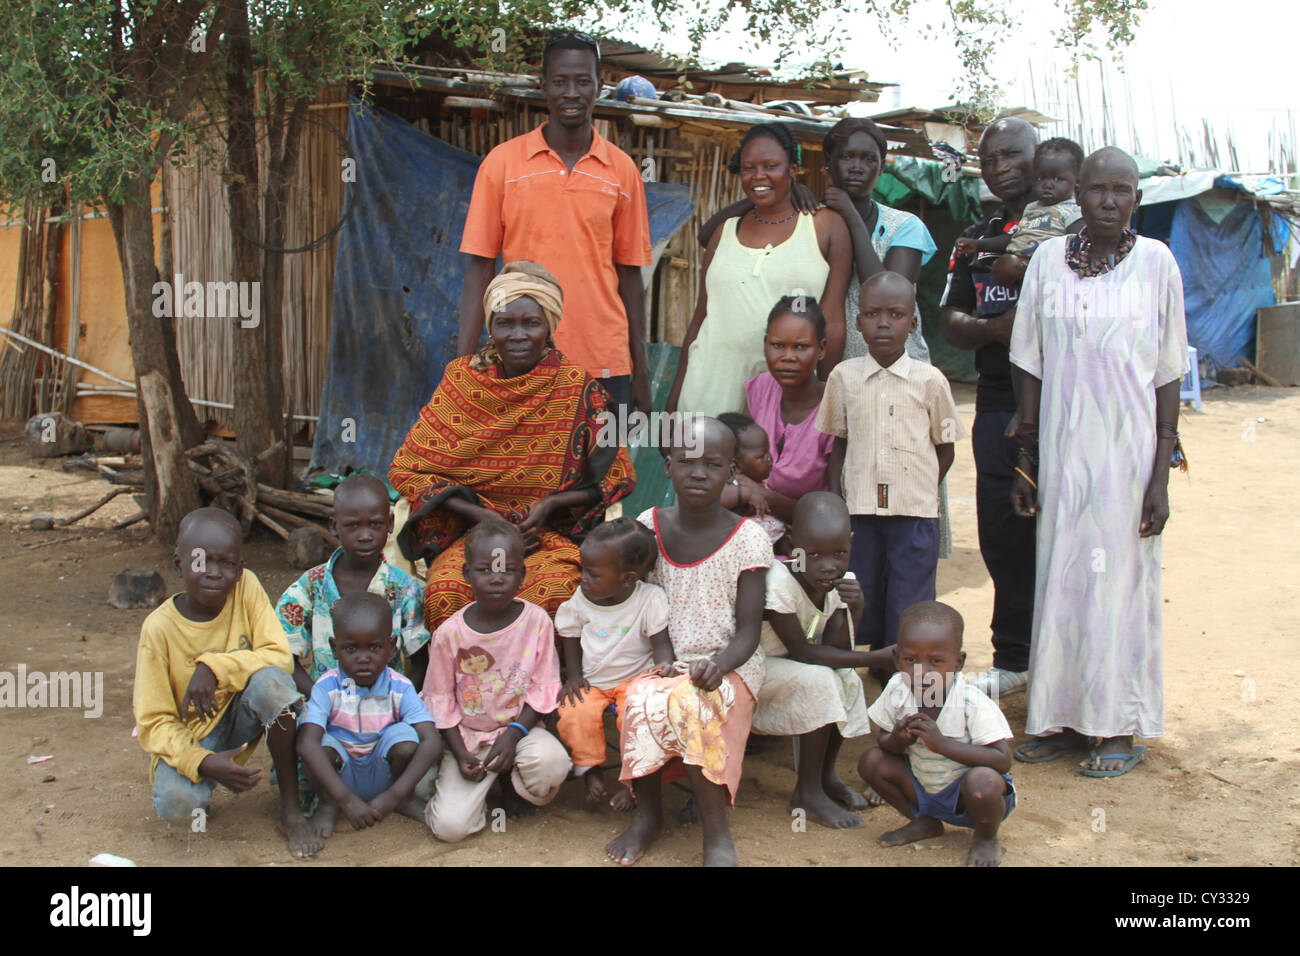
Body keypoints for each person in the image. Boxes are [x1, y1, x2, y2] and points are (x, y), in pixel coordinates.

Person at [1008, 147, 1188, 777]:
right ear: (1076, 194)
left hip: (1129, 457)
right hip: (1062, 454)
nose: (1110, 201)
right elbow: (1027, 359)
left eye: (1124, 190)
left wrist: (1160, 473)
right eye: (1098, 189)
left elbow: (1168, 371)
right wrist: (1028, 457)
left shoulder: (1158, 264)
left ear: (1137, 197)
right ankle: (1060, 720)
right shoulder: (1047, 263)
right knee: (1061, 582)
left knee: (1119, 588)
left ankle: (1117, 726)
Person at [390, 262, 634, 633]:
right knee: (446, 593)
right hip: (472, 538)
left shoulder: (576, 388)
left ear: (549, 327)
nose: (517, 335)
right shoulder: (461, 382)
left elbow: (615, 475)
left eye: (531, 323)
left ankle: (546, 687)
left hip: (546, 537)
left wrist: (550, 504)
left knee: (559, 592)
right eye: (505, 324)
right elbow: (408, 469)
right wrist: (484, 518)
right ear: (491, 326)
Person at [606, 417, 774, 866]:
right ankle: (648, 817)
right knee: (639, 697)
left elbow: (750, 631)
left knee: (693, 702)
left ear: (731, 471)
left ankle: (716, 832)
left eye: (713, 464)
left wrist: (718, 665)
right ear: (667, 466)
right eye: (687, 462)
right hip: (662, 658)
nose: (699, 473)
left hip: (728, 663)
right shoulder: (647, 525)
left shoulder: (749, 540)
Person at [457, 31, 652, 415]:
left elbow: (630, 276)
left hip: (603, 361)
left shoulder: (622, 170)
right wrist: (461, 368)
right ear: (543, 86)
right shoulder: (503, 164)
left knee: (599, 475)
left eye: (583, 81)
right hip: (521, 356)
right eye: (560, 81)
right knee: (520, 474)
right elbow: (480, 267)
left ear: (599, 86)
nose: (572, 92)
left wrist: (640, 370)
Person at [133, 507, 319, 858]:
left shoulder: (246, 588)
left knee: (273, 684)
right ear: (178, 565)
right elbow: (153, 722)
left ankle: (290, 808)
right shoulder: (158, 630)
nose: (215, 573)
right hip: (193, 736)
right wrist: (201, 761)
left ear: (239, 569)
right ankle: (206, 778)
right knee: (180, 808)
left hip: (240, 717)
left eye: (228, 564)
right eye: (203, 561)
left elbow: (279, 656)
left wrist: (214, 667)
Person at [820, 117, 955, 559]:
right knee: (854, 474)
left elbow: (884, 284)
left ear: (882, 168)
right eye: (847, 157)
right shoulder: (817, 221)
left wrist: (851, 216)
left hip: (902, 373)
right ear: (830, 163)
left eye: (869, 159)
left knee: (907, 466)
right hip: (847, 374)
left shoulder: (906, 226)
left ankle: (912, 594)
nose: (857, 167)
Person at [939, 116, 1039, 699]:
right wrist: (995, 327)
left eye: (1012, 155)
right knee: (1004, 534)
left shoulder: (1070, 233)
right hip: (999, 406)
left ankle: (1062, 656)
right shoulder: (975, 237)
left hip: (1068, 406)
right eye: (989, 158)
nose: (1000, 167)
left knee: (1065, 535)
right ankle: (1013, 657)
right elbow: (951, 318)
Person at [818, 272, 962, 656]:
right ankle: (866, 664)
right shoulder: (844, 378)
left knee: (910, 594)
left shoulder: (930, 381)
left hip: (914, 513)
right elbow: (839, 444)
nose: (883, 323)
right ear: (858, 321)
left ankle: (902, 671)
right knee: (861, 589)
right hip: (860, 510)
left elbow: (944, 448)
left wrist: (919, 487)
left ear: (912, 323)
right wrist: (838, 504)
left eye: (896, 314)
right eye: (872, 314)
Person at [668, 123, 852, 417]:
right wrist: (674, 401)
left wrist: (823, 393)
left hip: (784, 398)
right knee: (703, 461)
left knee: (774, 463)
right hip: (708, 389)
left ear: (793, 169)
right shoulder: (725, 232)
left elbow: (833, 321)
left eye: (771, 166)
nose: (759, 176)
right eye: (748, 168)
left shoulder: (825, 226)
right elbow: (700, 319)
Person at [421, 520, 572, 842]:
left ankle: (512, 785)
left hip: (521, 731)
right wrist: (461, 755)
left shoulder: (537, 622)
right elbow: (440, 698)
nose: (497, 578)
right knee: (450, 828)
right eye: (485, 569)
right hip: (469, 740)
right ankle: (472, 785)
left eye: (507, 570)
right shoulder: (450, 634)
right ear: (466, 574)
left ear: (522, 575)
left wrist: (514, 735)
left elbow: (543, 687)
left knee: (553, 764)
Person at [752, 492, 894, 828]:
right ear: (792, 544)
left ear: (851, 544)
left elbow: (835, 648)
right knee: (822, 681)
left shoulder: (842, 584)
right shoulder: (779, 584)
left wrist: (852, 608)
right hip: (757, 670)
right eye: (813, 555)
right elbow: (804, 651)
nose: (828, 565)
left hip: (792, 669)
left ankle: (824, 776)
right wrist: (878, 657)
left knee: (846, 680)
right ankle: (806, 793)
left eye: (839, 554)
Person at [859, 601, 1016, 867]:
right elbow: (883, 743)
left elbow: (1002, 760)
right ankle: (923, 822)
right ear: (896, 658)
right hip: (922, 787)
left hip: (969, 799)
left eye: (935, 661)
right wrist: (897, 740)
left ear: (958, 662)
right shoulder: (898, 689)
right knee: (871, 760)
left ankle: (986, 837)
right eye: (911, 659)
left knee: (984, 781)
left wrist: (943, 745)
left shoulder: (971, 702)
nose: (922, 672)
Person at [297, 593, 441, 840]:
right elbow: (306, 744)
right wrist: (345, 799)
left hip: (385, 777)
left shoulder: (401, 687)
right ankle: (328, 803)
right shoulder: (326, 687)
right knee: (318, 746)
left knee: (407, 741)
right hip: (339, 779)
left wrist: (395, 794)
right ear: (334, 647)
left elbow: (432, 742)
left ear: (392, 645)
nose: (363, 658)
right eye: (351, 648)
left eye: (374, 647)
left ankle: (404, 800)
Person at [277, 474, 429, 696]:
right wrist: (321, 701)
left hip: (386, 711)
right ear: (334, 526)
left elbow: (421, 664)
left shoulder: (406, 590)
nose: (365, 536)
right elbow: (285, 656)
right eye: (353, 526)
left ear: (390, 523)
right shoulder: (310, 587)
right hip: (325, 713)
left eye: (375, 524)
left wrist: (395, 704)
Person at [554, 518, 671, 809]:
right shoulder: (582, 598)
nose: (583, 579)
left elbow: (661, 645)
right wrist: (574, 676)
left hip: (634, 683)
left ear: (628, 578)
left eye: (593, 575)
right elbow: (569, 631)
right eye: (584, 571)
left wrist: (664, 669)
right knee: (572, 713)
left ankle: (633, 783)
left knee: (636, 719)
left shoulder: (649, 600)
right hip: (593, 682)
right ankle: (590, 771)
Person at [735, 296, 836, 530]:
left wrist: (758, 494)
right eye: (778, 345)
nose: (788, 357)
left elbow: (831, 511)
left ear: (821, 349)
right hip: (749, 533)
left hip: (811, 540)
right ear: (765, 344)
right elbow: (732, 469)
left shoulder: (834, 409)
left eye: (800, 347)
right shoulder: (760, 389)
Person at [955, 137, 1084, 287]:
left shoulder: (1073, 210)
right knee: (1003, 266)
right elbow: (1016, 238)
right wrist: (979, 244)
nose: (1048, 184)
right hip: (1023, 266)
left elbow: (1079, 244)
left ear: (1076, 183)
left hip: (1056, 272)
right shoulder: (1032, 208)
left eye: (1057, 179)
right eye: (1040, 178)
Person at [717, 411, 787, 550]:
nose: (770, 458)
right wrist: (746, 494)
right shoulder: (732, 484)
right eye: (762, 456)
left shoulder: (757, 483)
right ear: (736, 465)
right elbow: (714, 499)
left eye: (768, 452)